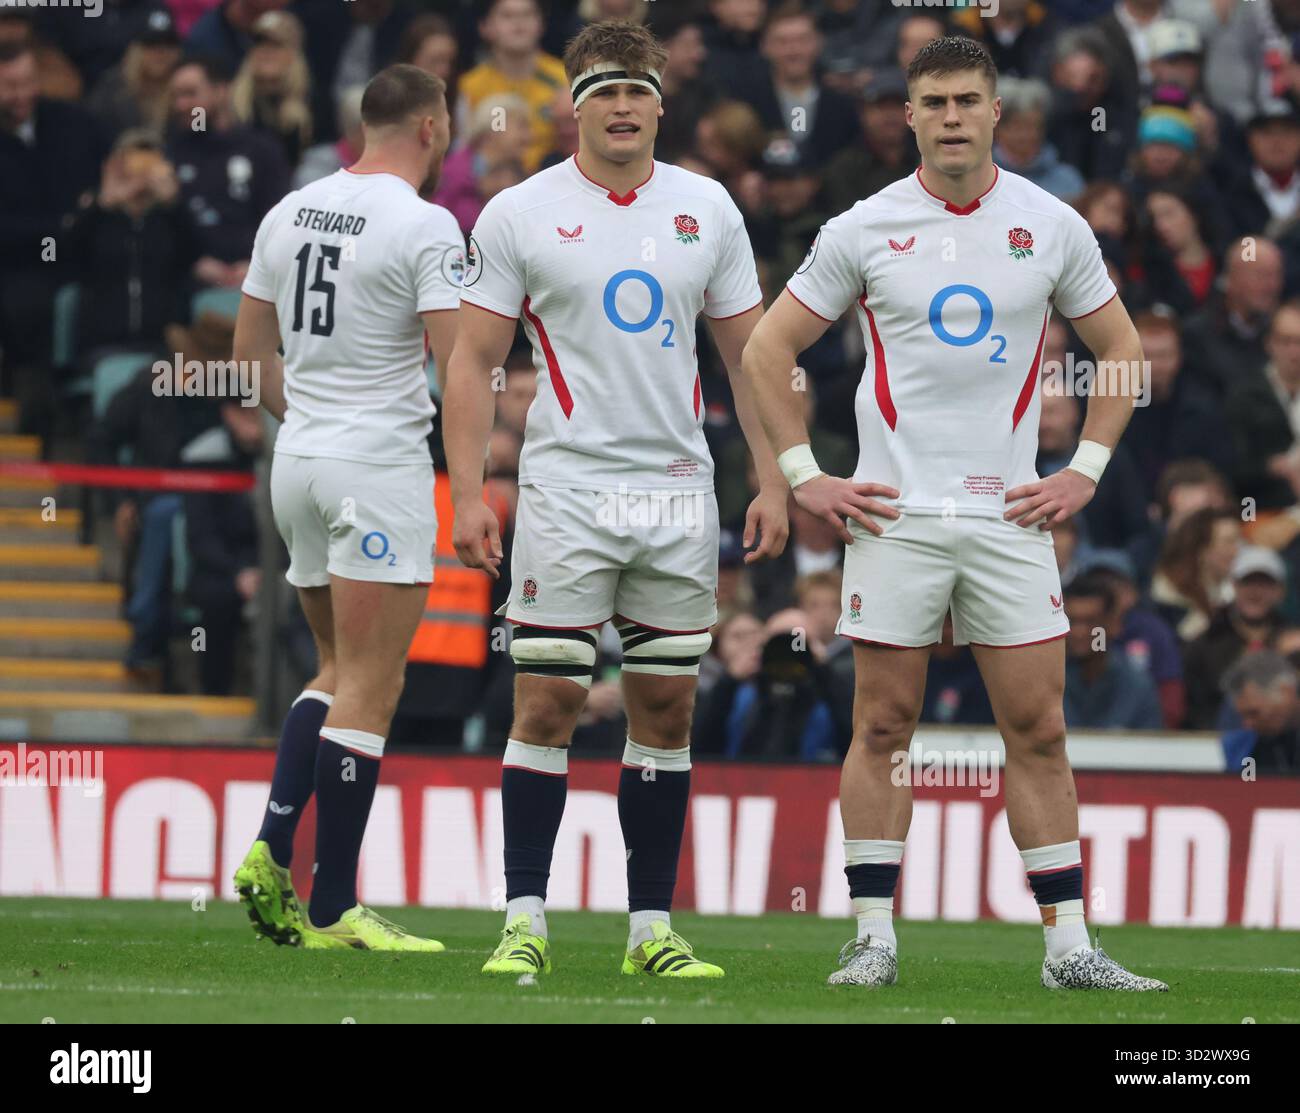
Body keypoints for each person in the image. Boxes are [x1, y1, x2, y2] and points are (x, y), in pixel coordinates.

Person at [741, 36, 1165, 991]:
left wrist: (1086, 470)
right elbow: (767, 351)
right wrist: (808, 474)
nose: (951, 118)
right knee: (884, 725)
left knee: (1040, 730)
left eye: (967, 101)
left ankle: (1068, 950)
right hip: (896, 515)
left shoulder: (1051, 224)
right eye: (933, 103)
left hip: (1012, 516)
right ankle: (874, 937)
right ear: (910, 116)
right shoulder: (863, 226)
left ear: (996, 112)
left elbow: (1123, 350)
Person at [443, 19, 787, 980]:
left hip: (679, 492)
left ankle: (650, 931)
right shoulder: (518, 211)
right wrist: (468, 494)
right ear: (575, 105)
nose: (623, 106)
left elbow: (749, 355)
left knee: (667, 708)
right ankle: (523, 920)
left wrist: (774, 474)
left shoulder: (708, 207)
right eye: (604, 90)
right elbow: (472, 360)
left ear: (661, 104)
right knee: (547, 699)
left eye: (639, 90)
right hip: (565, 489)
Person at [230, 64, 465, 951]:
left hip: (298, 461)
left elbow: (250, 352)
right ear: (433, 129)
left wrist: (317, 423)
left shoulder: (290, 209)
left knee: (334, 668)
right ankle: (331, 903)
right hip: (377, 467)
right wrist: (473, 478)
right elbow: (458, 364)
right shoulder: (425, 223)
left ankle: (270, 846)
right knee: (375, 681)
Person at [1061, 574, 1164, 730]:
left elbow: (1149, 750)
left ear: (1113, 624)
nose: (1079, 632)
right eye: (1072, 621)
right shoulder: (1047, 684)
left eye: (1091, 622)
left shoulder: (1137, 688)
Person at [1221, 651, 1300, 775]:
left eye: (1254, 713)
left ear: (1286, 692)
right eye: (1243, 715)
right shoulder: (1239, 747)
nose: (1248, 723)